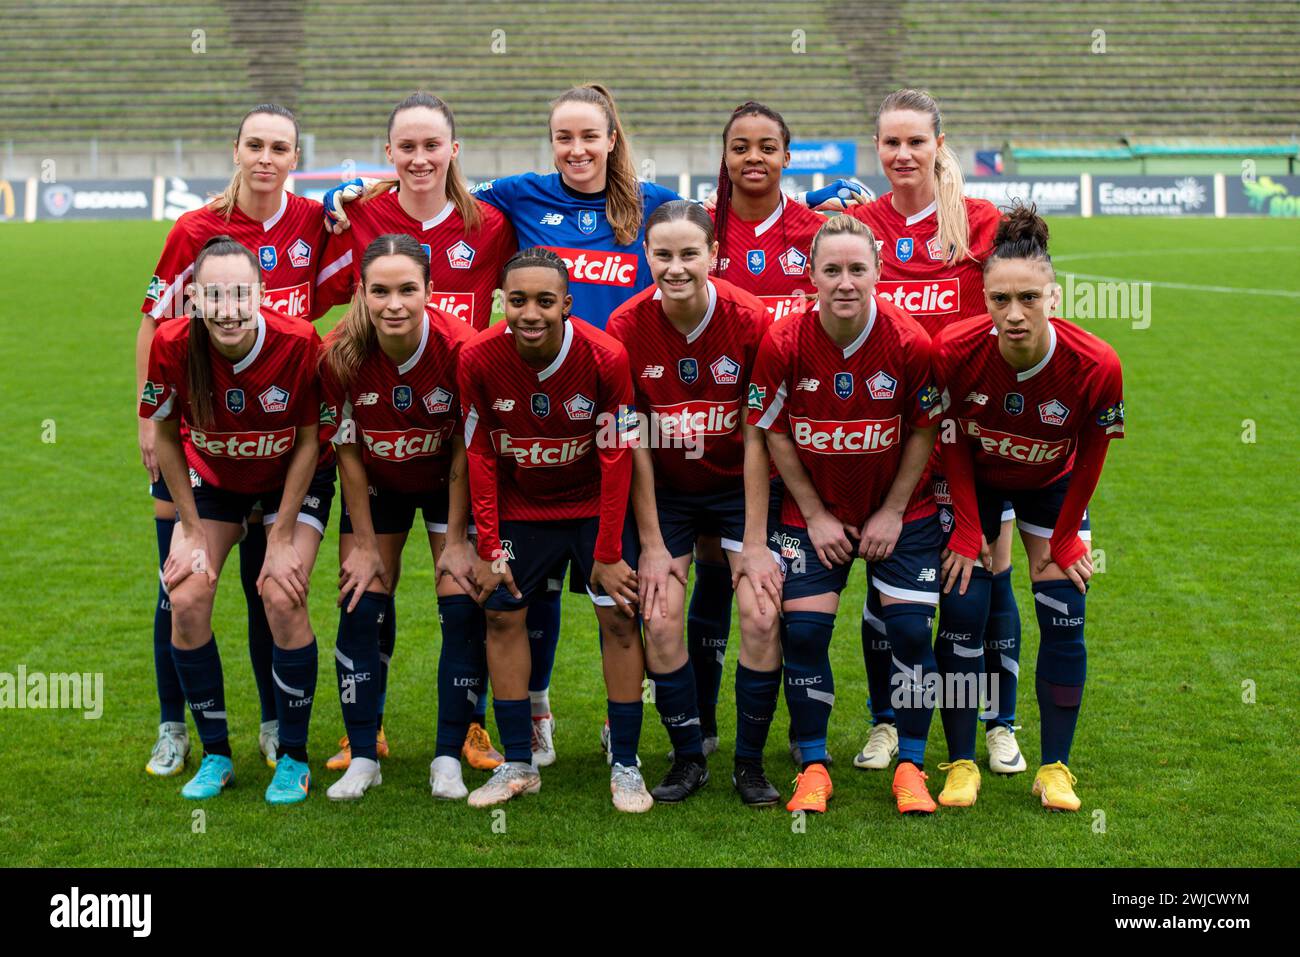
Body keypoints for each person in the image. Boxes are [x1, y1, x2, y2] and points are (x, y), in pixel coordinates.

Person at [315, 92, 514, 773]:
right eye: (407, 147)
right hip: (381, 434)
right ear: (389, 152)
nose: (421, 158)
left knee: (465, 590)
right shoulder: (357, 214)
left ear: (454, 150)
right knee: (362, 587)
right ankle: (361, 731)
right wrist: (339, 197)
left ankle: (469, 728)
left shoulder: (492, 222)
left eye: (433, 145)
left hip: (461, 436)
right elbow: (316, 290)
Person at [138, 104, 330, 777]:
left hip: (282, 452)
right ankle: (187, 734)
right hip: (206, 453)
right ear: (236, 148)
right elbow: (152, 326)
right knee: (182, 589)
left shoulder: (311, 232)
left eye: (281, 146)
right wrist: (146, 416)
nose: (267, 157)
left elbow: (313, 436)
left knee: (273, 590)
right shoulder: (194, 235)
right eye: (256, 144)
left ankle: (283, 734)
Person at [838, 89, 1020, 776]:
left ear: (939, 144)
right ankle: (888, 721)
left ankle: (997, 721)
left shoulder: (979, 223)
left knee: (988, 582)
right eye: (891, 142)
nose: (903, 154)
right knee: (891, 593)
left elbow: (1014, 307)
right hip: (892, 439)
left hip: (972, 440)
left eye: (916, 141)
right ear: (877, 148)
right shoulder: (859, 224)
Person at [747, 215, 948, 814]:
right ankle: (812, 765)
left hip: (902, 513)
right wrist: (812, 513)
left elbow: (924, 428)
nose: (844, 281)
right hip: (815, 516)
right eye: (831, 269)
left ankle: (911, 764)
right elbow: (772, 431)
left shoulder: (911, 343)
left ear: (878, 271)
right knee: (803, 633)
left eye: (856, 268)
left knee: (912, 633)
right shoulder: (782, 342)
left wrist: (890, 510)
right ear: (810, 275)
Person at [933, 204, 1124, 812]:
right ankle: (962, 763)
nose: (1014, 315)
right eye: (999, 300)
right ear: (983, 299)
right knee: (963, 607)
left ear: (1054, 296)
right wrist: (967, 528)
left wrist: (1067, 537)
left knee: (1066, 611)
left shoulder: (1096, 364)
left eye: (1029, 299)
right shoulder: (954, 351)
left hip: (1054, 487)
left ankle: (1055, 768)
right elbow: (953, 439)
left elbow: (1093, 451)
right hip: (978, 485)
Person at [458, 247, 652, 812]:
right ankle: (519, 761)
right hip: (524, 506)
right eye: (517, 300)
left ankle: (626, 765)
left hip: (593, 503)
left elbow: (618, 455)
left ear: (567, 304)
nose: (530, 313)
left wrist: (611, 550)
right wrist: (490, 546)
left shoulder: (606, 356)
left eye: (545, 301)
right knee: (499, 614)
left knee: (619, 618)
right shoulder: (477, 357)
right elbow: (480, 453)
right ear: (502, 302)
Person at [606, 200, 784, 806]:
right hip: (670, 497)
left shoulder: (749, 319)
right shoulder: (626, 328)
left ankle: (750, 765)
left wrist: (757, 544)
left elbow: (760, 434)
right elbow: (632, 443)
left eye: (689, 254)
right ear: (646, 255)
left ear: (714, 255)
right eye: (663, 254)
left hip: (740, 489)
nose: (676, 267)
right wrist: (653, 545)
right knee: (657, 619)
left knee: (762, 615)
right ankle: (687, 759)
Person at [319, 233, 490, 800]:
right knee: (360, 601)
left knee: (462, 604)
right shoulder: (339, 352)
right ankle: (363, 755)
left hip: (448, 486)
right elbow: (345, 448)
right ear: (361, 292)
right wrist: (364, 544)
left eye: (408, 290)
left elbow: (470, 448)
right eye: (381, 291)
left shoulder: (462, 347)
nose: (394, 304)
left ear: (430, 291)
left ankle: (447, 757)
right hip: (380, 486)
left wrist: (461, 539)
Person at [706, 100, 833, 766]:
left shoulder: (818, 234)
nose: (753, 157)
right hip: (708, 448)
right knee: (707, 586)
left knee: (790, 603)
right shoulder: (699, 232)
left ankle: (801, 733)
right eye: (739, 147)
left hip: (798, 451)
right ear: (723, 156)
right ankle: (699, 729)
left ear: (788, 155)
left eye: (766, 147)